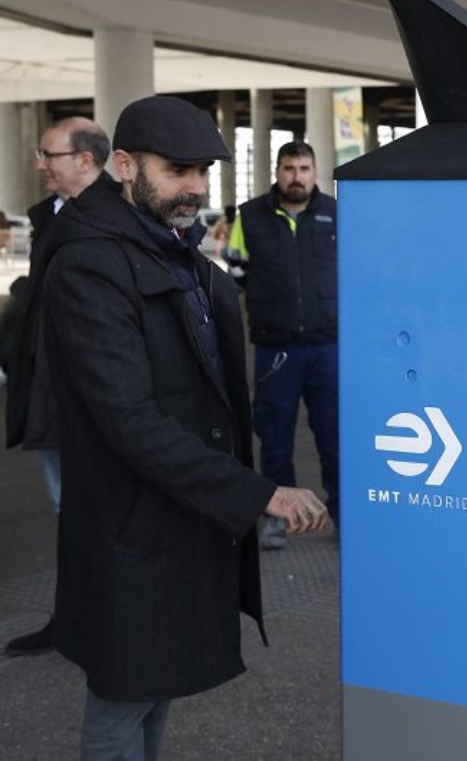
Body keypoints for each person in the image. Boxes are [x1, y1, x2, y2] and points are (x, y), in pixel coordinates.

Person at [37, 95, 329, 759]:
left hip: (178, 511)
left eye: (203, 171)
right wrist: (259, 492)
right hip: (131, 524)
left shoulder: (172, 249)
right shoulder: (90, 262)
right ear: (123, 165)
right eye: (177, 170)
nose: (196, 187)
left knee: (155, 684)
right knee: (122, 698)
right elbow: (129, 419)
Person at [3, 117, 120, 657]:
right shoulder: (48, 217)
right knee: (67, 509)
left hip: (100, 393)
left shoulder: (122, 216)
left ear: (85, 160)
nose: (39, 164)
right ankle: (77, 618)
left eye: (48, 155)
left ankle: (110, 622)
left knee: (104, 511)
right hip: (49, 388)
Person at [226, 141, 339, 549]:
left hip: (328, 347)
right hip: (276, 350)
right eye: (289, 168)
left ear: (315, 172)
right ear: (277, 171)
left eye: (304, 168)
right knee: (274, 437)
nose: (297, 177)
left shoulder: (337, 214)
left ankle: (344, 515)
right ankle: (278, 518)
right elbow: (235, 273)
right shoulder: (250, 216)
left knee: (335, 435)